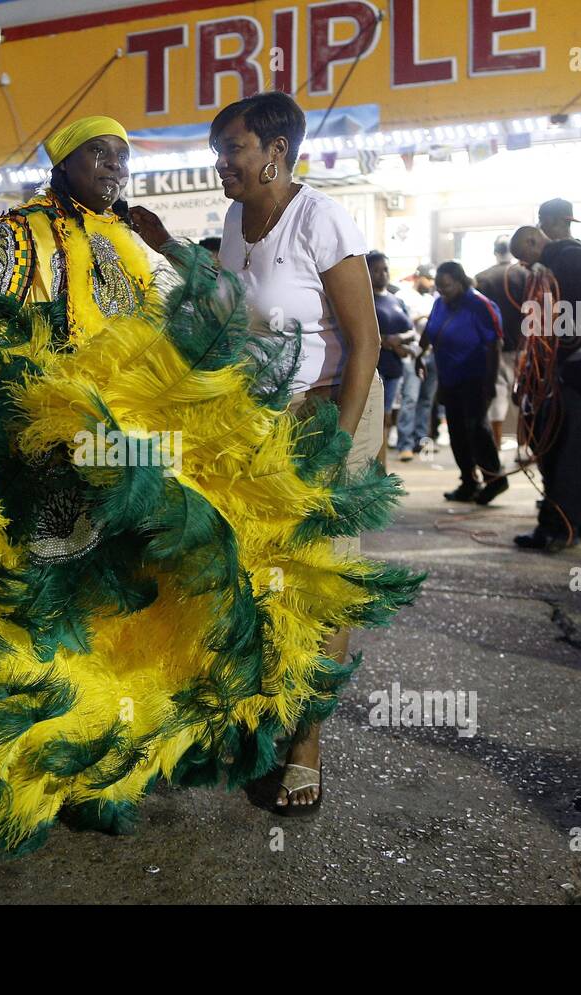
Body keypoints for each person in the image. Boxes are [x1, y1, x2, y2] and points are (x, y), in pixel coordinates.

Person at [0, 115, 422, 853]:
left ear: (276, 154)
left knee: (141, 595)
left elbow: (188, 316)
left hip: (145, 444)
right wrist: (26, 399)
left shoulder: (136, 238)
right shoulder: (19, 231)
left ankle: (138, 754)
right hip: (50, 441)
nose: (114, 167)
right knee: (43, 599)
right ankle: (34, 760)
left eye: (122, 156)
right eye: (99, 154)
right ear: (63, 161)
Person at [133, 90, 403, 812]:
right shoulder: (233, 217)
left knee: (320, 579)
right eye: (220, 150)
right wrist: (166, 247)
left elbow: (367, 342)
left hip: (329, 409)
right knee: (255, 570)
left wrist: (338, 444)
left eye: (233, 150)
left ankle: (307, 747)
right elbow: (230, 297)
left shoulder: (321, 217)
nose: (222, 163)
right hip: (262, 420)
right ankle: (253, 716)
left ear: (276, 153)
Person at [510, 225, 581, 550]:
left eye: (525, 257)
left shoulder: (569, 256)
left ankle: (558, 528)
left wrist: (565, 334)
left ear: (534, 240)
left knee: (573, 448)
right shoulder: (568, 256)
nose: (527, 266)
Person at [426, 261, 507, 504]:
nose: (442, 291)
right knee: (457, 433)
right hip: (449, 379)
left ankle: (495, 478)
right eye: (439, 287)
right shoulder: (440, 303)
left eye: (447, 286)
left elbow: (495, 345)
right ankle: (469, 481)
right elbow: (432, 334)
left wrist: (490, 383)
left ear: (460, 282)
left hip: (475, 379)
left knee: (477, 430)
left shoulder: (480, 305)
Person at [476, 236, 528, 450]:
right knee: (522, 396)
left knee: (496, 396)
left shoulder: (482, 278)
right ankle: (523, 447)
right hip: (522, 346)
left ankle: (495, 446)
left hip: (492, 348)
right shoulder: (524, 274)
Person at [368, 251, 418, 469]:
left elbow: (410, 331)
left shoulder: (396, 300)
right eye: (376, 270)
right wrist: (385, 341)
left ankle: (381, 469)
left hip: (393, 369)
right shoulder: (364, 299)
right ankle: (375, 469)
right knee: (375, 420)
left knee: (386, 419)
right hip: (373, 368)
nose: (382, 274)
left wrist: (398, 340)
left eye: (385, 269)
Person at [395, 264, 438, 459]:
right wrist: (422, 316)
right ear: (418, 277)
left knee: (426, 400)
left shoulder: (431, 299)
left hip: (431, 352)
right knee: (410, 398)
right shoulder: (404, 297)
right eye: (428, 279)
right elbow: (402, 324)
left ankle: (421, 440)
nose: (430, 283)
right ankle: (405, 443)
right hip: (413, 352)